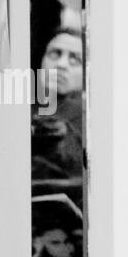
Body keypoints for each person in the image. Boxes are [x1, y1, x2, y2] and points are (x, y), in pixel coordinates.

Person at [33, 26, 84, 184]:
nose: (61, 64)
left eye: (75, 59)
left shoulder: (91, 120)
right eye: (55, 54)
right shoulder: (13, 106)